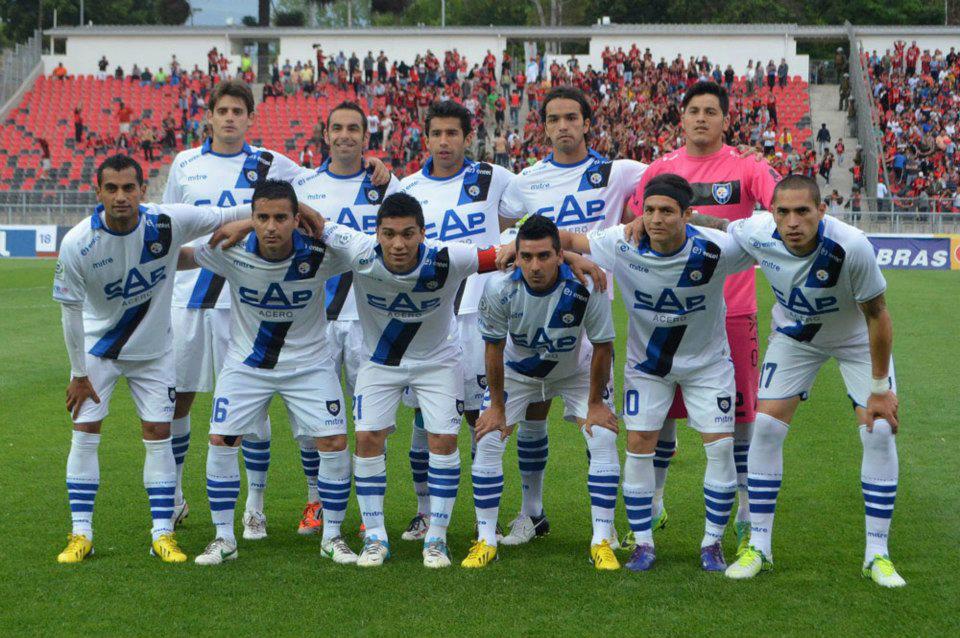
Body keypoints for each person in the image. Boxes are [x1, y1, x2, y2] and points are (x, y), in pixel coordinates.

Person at [162, 80, 390, 538]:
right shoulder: (184, 163)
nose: (229, 118)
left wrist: (372, 164)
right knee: (181, 397)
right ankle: (173, 495)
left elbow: (310, 189)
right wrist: (242, 221)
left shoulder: (273, 163)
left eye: (237, 111)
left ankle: (258, 504)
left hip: (250, 301)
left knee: (258, 409)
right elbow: (175, 225)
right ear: (208, 116)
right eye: (221, 110)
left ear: (250, 118)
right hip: (192, 296)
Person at [51, 154, 289, 564]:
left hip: (154, 353)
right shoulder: (77, 243)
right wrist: (77, 373)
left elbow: (230, 211)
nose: (122, 196)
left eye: (129, 188)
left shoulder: (167, 221)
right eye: (112, 188)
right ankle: (81, 533)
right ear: (99, 192)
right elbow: (69, 312)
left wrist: (255, 221)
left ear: (144, 190)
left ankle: (162, 533)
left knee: (159, 435)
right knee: (85, 432)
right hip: (98, 353)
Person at [685, 176, 905, 588]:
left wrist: (880, 389)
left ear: (822, 211)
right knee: (765, 428)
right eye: (782, 212)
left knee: (878, 432)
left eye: (802, 211)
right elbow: (720, 225)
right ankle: (759, 547)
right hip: (796, 337)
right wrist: (682, 217)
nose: (792, 222)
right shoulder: (757, 231)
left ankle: (878, 553)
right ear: (771, 213)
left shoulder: (851, 245)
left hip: (855, 340)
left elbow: (878, 314)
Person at [563, 173, 754, 572]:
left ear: (687, 214)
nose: (656, 219)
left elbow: (769, 234)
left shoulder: (717, 249)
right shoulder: (622, 243)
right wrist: (570, 256)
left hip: (708, 365)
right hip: (648, 367)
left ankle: (712, 544)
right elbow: (561, 240)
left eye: (667, 211)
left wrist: (710, 221)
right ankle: (644, 544)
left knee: (719, 448)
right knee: (638, 445)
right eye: (649, 210)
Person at [625, 81, 781, 558]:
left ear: (725, 119)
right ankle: (653, 503)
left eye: (711, 111)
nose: (701, 119)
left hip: (732, 312)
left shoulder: (747, 166)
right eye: (693, 110)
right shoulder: (661, 169)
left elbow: (779, 211)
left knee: (739, 417)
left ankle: (745, 513)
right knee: (659, 415)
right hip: (665, 313)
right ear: (682, 117)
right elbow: (636, 224)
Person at [494, 85, 646, 547]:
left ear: (586, 123)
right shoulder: (526, 182)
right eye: (555, 119)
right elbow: (506, 228)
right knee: (534, 414)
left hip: (591, 314)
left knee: (597, 421)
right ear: (544, 126)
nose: (563, 126)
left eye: (572, 118)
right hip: (535, 314)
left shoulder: (615, 172)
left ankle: (606, 527)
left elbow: (673, 176)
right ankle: (531, 513)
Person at [179, 180, 357, 566]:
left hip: (309, 365)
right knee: (222, 440)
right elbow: (181, 257)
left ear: (296, 219)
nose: (272, 226)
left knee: (334, 443)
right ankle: (224, 537)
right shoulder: (230, 251)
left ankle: (333, 536)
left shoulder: (320, 254)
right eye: (262, 217)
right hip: (247, 364)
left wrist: (316, 218)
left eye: (281, 217)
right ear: (251, 217)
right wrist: (241, 225)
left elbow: (362, 248)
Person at [319, 193, 500, 568]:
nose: (398, 244)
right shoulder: (359, 250)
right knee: (368, 438)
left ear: (422, 233)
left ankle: (436, 537)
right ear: (377, 233)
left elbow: (505, 254)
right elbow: (315, 222)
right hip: (381, 361)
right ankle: (375, 537)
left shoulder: (449, 258)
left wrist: (576, 257)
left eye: (407, 233)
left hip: (437, 361)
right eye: (388, 234)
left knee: (444, 441)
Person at [468, 215, 619, 570]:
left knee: (603, 437)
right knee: (489, 438)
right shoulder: (499, 288)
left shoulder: (586, 285)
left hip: (575, 373)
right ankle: (486, 539)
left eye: (544, 257)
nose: (535, 266)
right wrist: (496, 406)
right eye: (527, 257)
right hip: (519, 374)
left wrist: (596, 404)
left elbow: (603, 346)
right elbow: (493, 347)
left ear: (559, 255)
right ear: (516, 256)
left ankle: (602, 539)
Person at [395, 100, 516, 542]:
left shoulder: (493, 177)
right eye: (437, 134)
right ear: (426, 138)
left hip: (480, 318)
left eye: (453, 134)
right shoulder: (407, 189)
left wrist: (510, 243)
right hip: (429, 319)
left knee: (483, 419)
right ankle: (425, 512)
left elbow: (531, 216)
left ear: (469, 137)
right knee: (426, 420)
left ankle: (487, 519)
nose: (444, 142)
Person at [292, 103, 400, 539]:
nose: (345, 135)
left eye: (354, 128)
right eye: (337, 128)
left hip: (367, 319)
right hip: (313, 319)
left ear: (366, 136)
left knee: (369, 419)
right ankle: (316, 499)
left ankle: (365, 508)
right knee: (311, 418)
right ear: (326, 135)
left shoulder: (388, 187)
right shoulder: (302, 186)